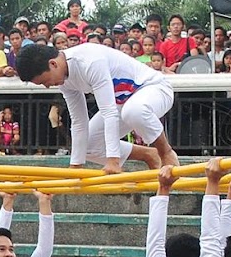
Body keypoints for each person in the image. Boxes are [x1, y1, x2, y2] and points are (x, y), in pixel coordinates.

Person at [14, 42, 180, 175]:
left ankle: (165, 152)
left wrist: (113, 160)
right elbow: (79, 121)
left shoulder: (89, 61)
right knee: (88, 147)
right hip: (123, 103)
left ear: (53, 64)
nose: (47, 86)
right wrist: (76, 166)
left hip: (154, 89)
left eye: (45, 81)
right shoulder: (63, 79)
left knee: (133, 111)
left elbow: (109, 112)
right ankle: (149, 154)